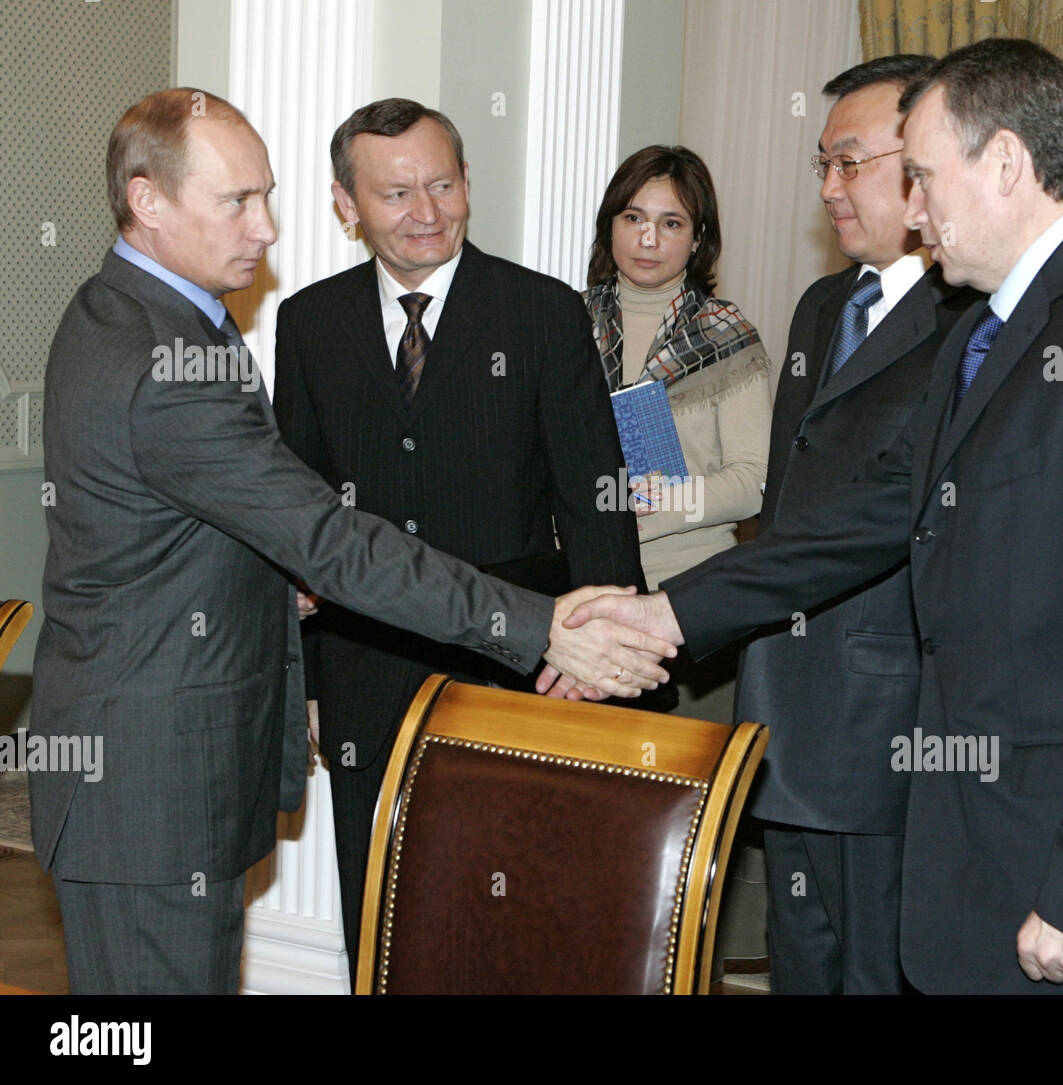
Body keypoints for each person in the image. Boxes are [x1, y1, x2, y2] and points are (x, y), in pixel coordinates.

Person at [551, 38, 1063, 995]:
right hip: (991, 841)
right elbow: (872, 511)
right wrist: (667, 614)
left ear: (1007, 163)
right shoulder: (989, 323)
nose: (916, 208)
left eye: (924, 176)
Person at [30, 88, 673, 996]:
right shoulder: (161, 357)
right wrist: (544, 627)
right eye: (237, 202)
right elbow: (325, 534)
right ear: (147, 201)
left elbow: (218, 525)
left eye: (268, 196)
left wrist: (275, 581)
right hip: (152, 787)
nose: (265, 228)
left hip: (163, 766)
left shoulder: (132, 313)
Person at [273, 98, 647, 979]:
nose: (427, 211)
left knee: (503, 910)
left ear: (468, 182)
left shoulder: (543, 313)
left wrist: (604, 657)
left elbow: (597, 502)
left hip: (514, 665)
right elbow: (301, 510)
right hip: (364, 666)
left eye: (443, 184)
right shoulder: (309, 321)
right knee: (381, 903)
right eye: (396, 192)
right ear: (346, 204)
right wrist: (309, 677)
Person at [735, 54, 977, 994]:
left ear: (922, 165)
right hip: (785, 697)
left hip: (889, 720)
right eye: (821, 166)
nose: (830, 189)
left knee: (878, 969)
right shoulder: (823, 304)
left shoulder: (970, 317)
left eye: (852, 163)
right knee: (803, 961)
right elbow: (790, 502)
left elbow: (893, 518)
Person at [582, 145, 771, 720]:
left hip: (689, 600)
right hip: (584, 598)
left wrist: (650, 506)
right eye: (633, 218)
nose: (648, 239)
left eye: (671, 223)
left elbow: (753, 481)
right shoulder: (563, 324)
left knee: (682, 796)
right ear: (609, 225)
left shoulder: (726, 335)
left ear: (698, 239)